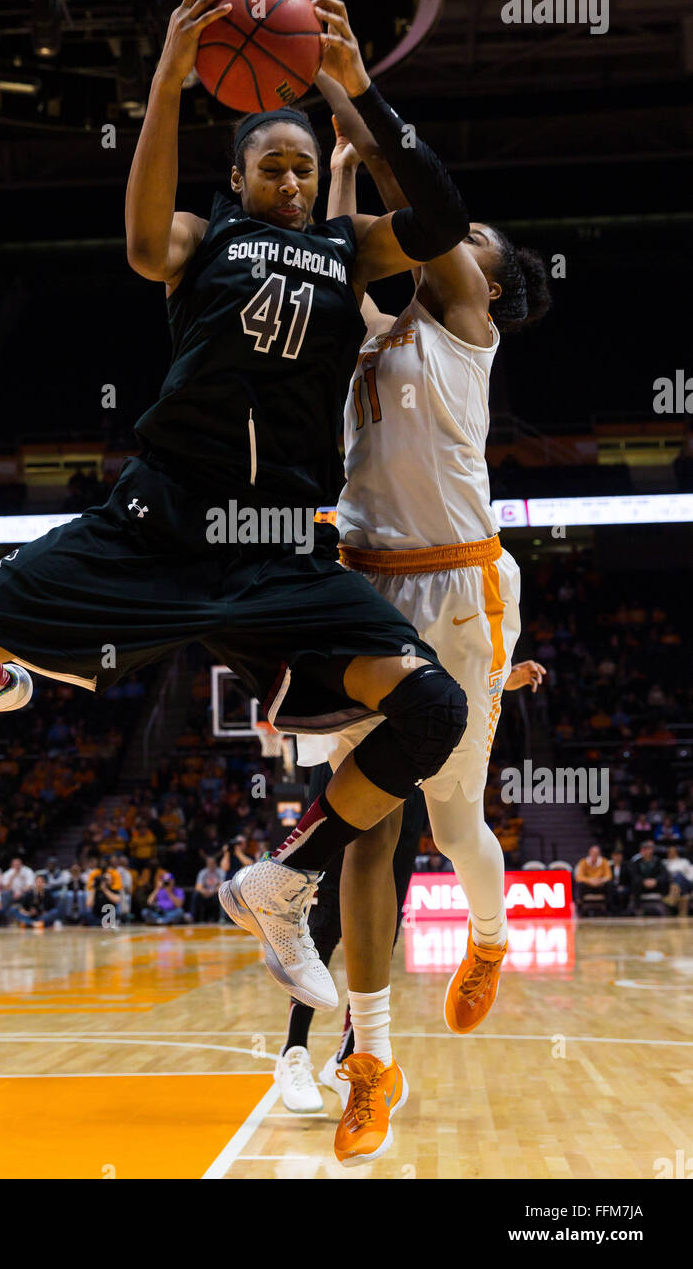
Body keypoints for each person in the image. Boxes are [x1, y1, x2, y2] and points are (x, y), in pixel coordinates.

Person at [0, 0, 472, 1021]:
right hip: (155, 525)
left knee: (434, 705)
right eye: (273, 167)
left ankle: (280, 877)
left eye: (304, 167)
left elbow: (440, 219)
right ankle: (12, 676)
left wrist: (354, 97)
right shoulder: (196, 240)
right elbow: (133, 243)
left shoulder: (350, 249)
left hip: (278, 555)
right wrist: (166, 79)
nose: (294, 182)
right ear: (238, 176)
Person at [272, 81, 549, 1161]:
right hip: (366, 592)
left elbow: (421, 214)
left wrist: (353, 97)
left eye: (470, 241)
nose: (449, 242)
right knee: (368, 827)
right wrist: (335, 159)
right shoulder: (362, 321)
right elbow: (357, 240)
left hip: (459, 588)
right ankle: (370, 1060)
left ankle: (487, 938)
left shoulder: (468, 325)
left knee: (449, 822)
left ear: (484, 276)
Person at [274, 764, 424, 1127]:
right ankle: (293, 1052)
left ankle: (347, 1058)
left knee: (382, 927)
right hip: (343, 760)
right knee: (324, 921)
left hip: (413, 769)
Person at [629, 840, 671, 914]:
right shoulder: (636, 862)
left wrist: (655, 881)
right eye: (643, 849)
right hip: (642, 886)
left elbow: (664, 874)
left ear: (652, 850)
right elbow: (634, 875)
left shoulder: (658, 861)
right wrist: (643, 881)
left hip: (656, 885)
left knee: (665, 881)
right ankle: (637, 908)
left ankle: (667, 906)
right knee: (635, 883)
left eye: (648, 849)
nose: (645, 851)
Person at [191, 853, 225, 923]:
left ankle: (222, 918)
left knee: (223, 895)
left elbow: (222, 885)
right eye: (208, 863)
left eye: (212, 863)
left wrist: (212, 892)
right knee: (196, 894)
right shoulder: (203, 872)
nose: (210, 865)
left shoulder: (221, 872)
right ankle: (193, 917)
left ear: (216, 863)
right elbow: (198, 887)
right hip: (205, 894)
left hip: (216, 894)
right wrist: (204, 891)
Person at [662, 845, 693, 917]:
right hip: (670, 885)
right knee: (675, 879)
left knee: (678, 875)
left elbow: (690, 875)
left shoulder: (684, 861)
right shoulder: (664, 862)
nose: (671, 853)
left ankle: (672, 897)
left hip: (686, 883)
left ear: (677, 853)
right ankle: (676, 895)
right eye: (670, 852)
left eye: (673, 852)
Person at [607, 849, 632, 915]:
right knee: (610, 890)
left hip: (625, 886)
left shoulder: (627, 866)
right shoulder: (609, 867)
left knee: (625, 891)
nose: (617, 858)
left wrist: (623, 886)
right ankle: (612, 910)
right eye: (615, 856)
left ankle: (625, 910)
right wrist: (616, 886)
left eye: (619, 856)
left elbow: (629, 879)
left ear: (622, 857)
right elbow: (608, 879)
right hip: (613, 887)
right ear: (612, 857)